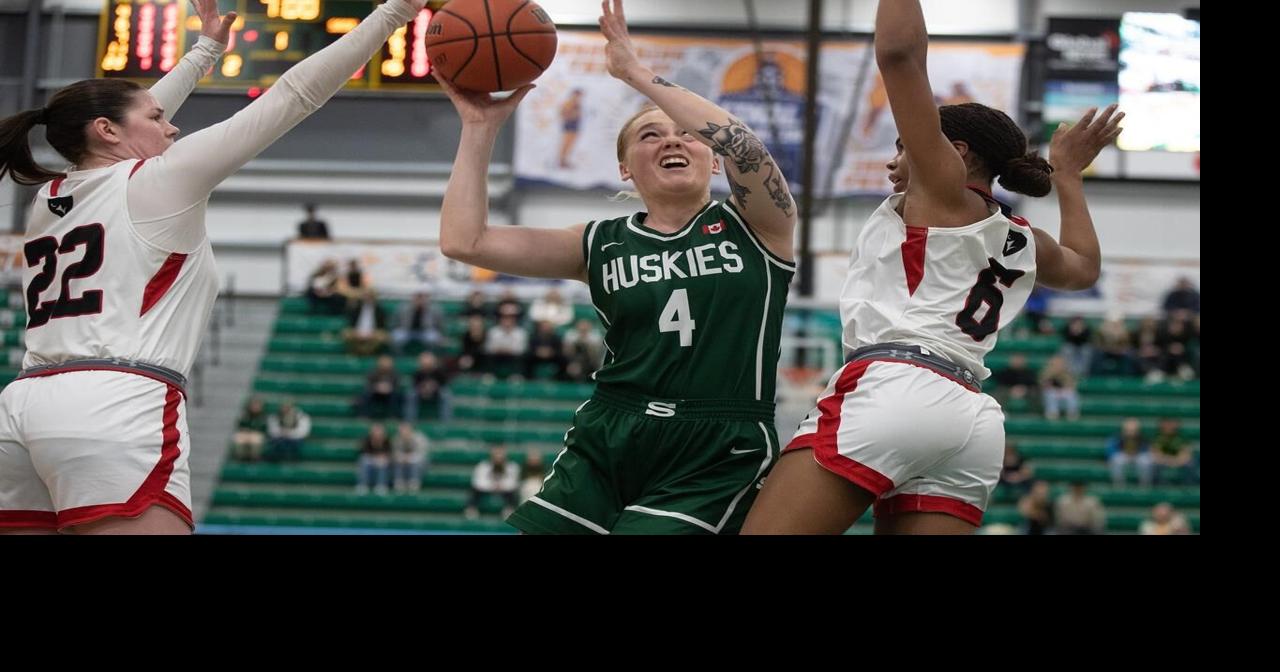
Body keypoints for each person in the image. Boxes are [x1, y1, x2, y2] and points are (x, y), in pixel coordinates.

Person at [0, 0, 430, 534]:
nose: (173, 128)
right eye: (158, 118)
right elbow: (295, 95)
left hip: (22, 407)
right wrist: (394, 12)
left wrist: (206, 52)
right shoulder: (158, 180)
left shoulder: (50, 196)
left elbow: (118, 118)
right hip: (112, 404)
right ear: (107, 131)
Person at [742, 0, 1122, 534]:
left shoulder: (942, 189)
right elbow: (1083, 269)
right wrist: (1070, 176)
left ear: (957, 153)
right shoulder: (1020, 235)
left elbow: (899, 56)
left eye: (904, 147)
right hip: (972, 419)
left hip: (899, 387)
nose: (897, 160)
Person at [437, 0, 797, 534]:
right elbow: (465, 240)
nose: (673, 138)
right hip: (610, 427)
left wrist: (637, 75)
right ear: (626, 169)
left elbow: (744, 145)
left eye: (687, 134)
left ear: (714, 161)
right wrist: (478, 126)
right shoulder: (599, 242)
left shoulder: (759, 224)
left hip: (718, 442)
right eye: (651, 135)